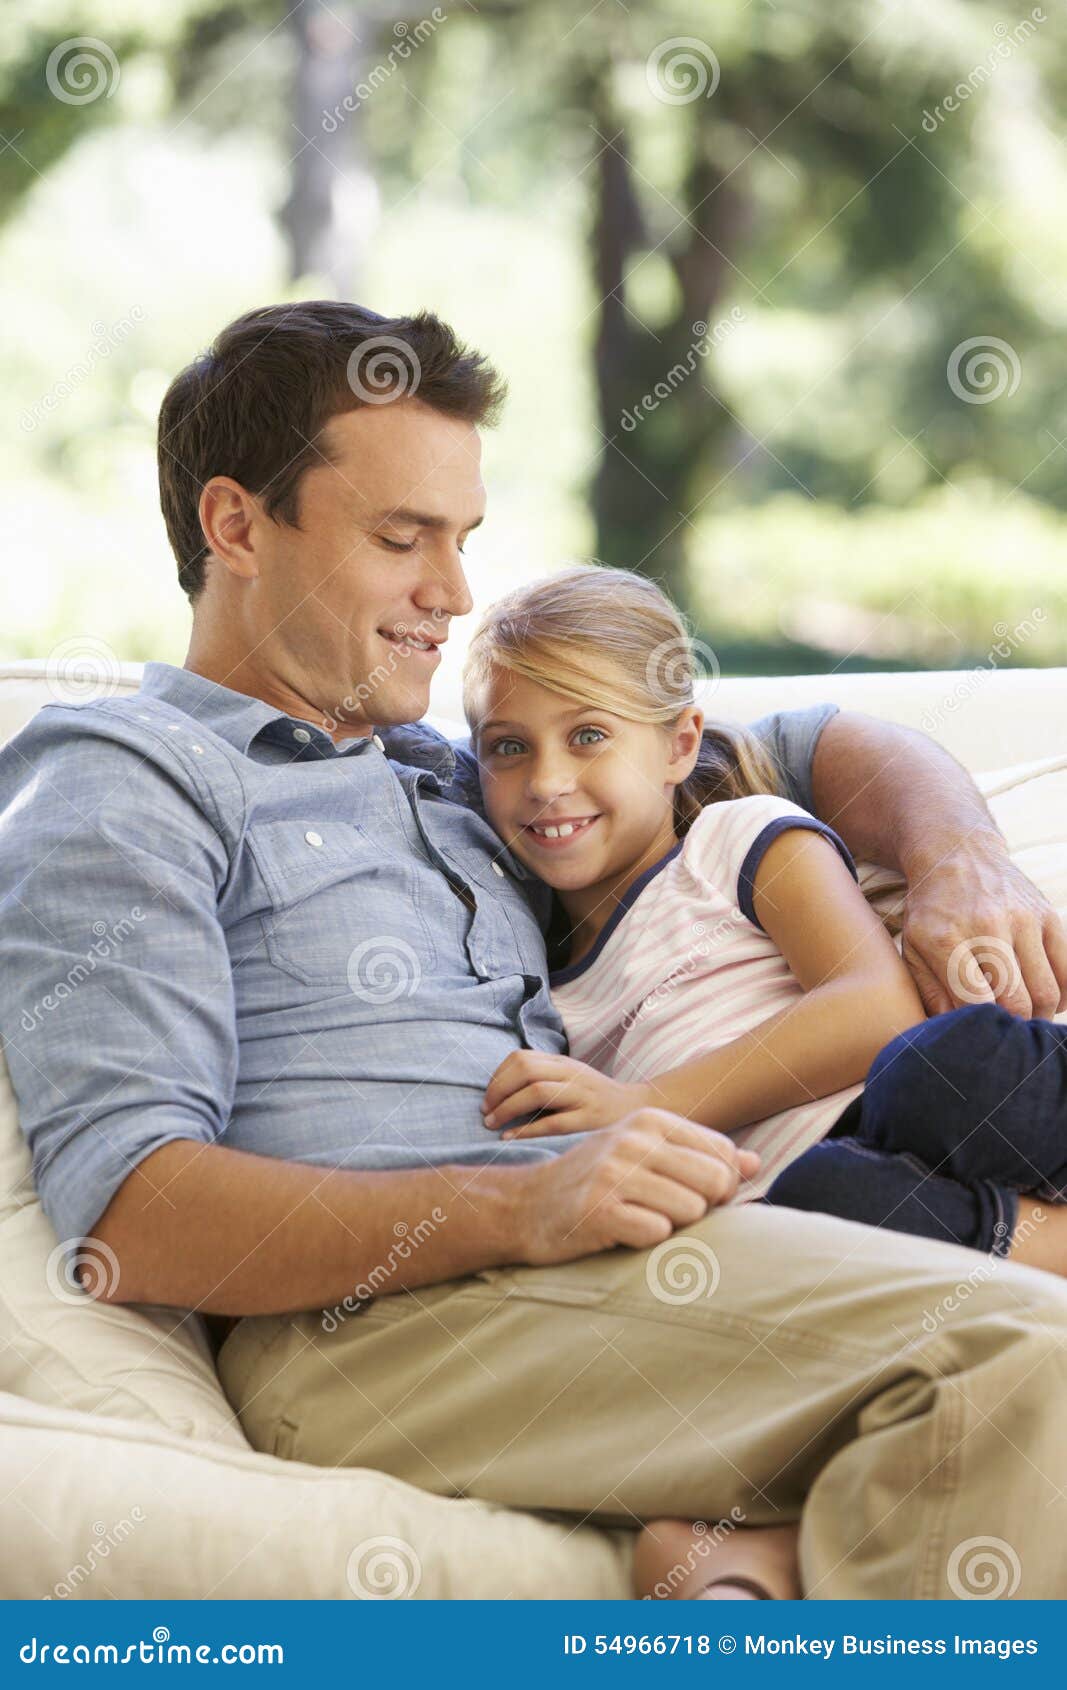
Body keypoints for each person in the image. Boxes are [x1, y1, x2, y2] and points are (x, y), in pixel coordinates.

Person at [1, 301, 1066, 1601]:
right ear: (235, 526)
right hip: (381, 1325)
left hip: (622, 1257)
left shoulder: (467, 771)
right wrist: (526, 1200)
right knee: (1013, 1358)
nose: (451, 595)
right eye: (401, 539)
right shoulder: (124, 780)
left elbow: (813, 737)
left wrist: (961, 854)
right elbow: (128, 1211)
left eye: (461, 540)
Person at [462, 563, 1067, 1598]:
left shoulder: (731, 841)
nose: (546, 780)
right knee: (825, 1202)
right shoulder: (546, 998)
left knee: (939, 1062)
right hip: (850, 1204)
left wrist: (643, 1105)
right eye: (507, 748)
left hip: (937, 1098)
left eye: (589, 735)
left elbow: (871, 1009)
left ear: (678, 745)